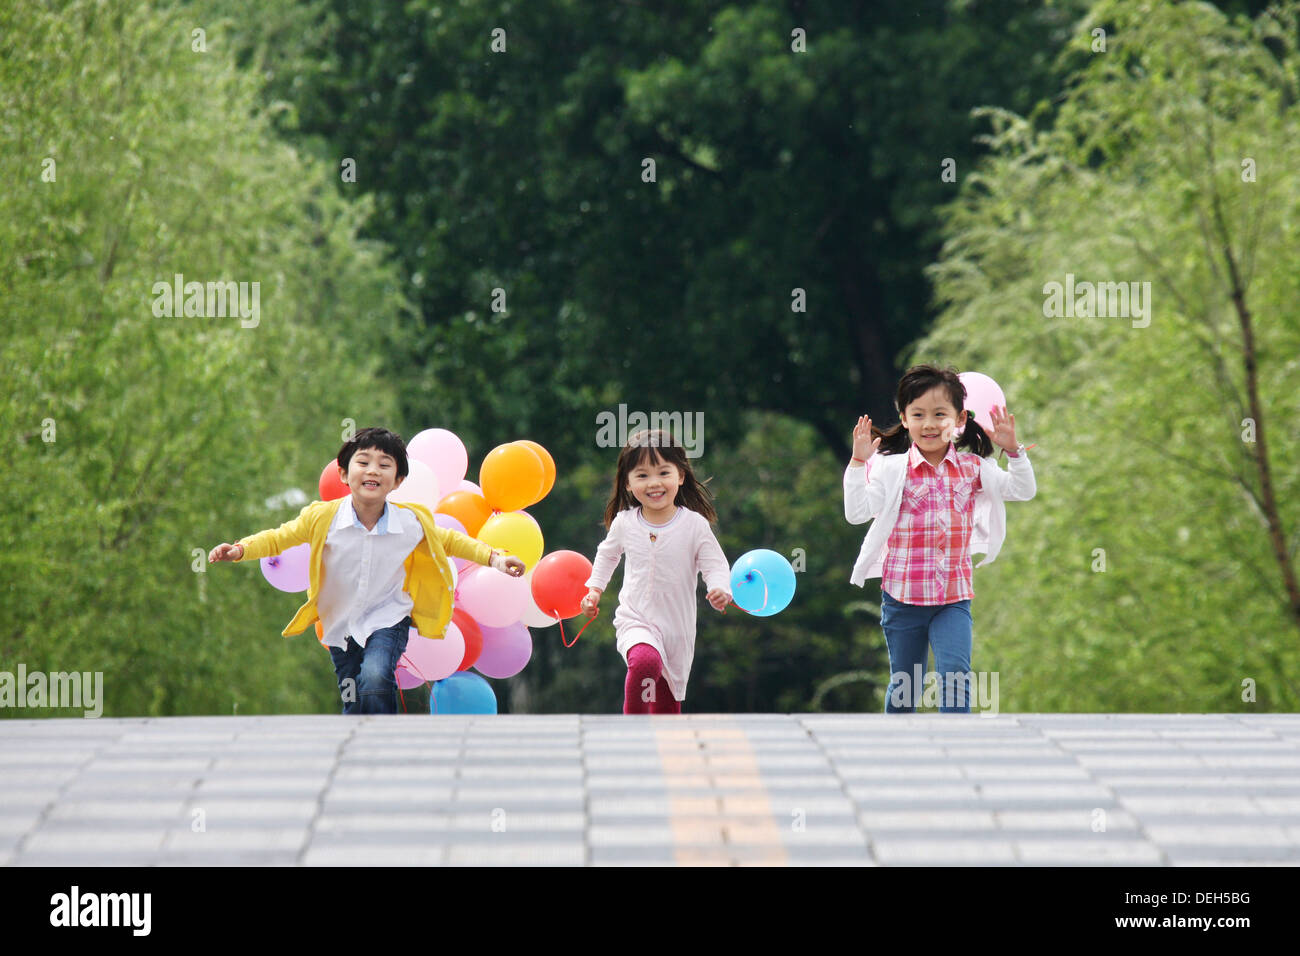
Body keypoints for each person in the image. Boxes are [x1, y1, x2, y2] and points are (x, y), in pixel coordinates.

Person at [208, 427, 525, 714]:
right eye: (363, 462)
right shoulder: (322, 517)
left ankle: (380, 738)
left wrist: (496, 558)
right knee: (353, 693)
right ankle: (357, 743)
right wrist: (240, 549)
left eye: (385, 464)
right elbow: (280, 537)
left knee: (375, 674)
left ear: (398, 480)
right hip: (340, 624)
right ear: (345, 474)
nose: (373, 470)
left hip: (389, 617)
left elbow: (452, 541)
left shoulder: (409, 522)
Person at [845, 365, 1035, 713]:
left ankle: (957, 752)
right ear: (904, 418)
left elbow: (1022, 490)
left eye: (939, 414)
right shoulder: (890, 469)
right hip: (902, 598)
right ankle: (897, 755)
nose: (929, 424)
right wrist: (858, 463)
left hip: (953, 597)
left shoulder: (973, 468)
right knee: (906, 687)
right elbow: (856, 512)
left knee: (956, 678)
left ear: (959, 418)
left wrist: (1014, 451)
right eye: (918, 414)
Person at [580, 429, 732, 714]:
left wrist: (720, 588)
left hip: (677, 629)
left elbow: (715, 564)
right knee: (645, 662)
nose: (654, 483)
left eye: (663, 472)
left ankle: (663, 752)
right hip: (635, 619)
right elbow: (607, 555)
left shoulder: (694, 525)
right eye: (642, 475)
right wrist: (594, 591)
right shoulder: (625, 523)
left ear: (681, 476)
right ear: (627, 483)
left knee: (665, 706)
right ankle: (633, 730)